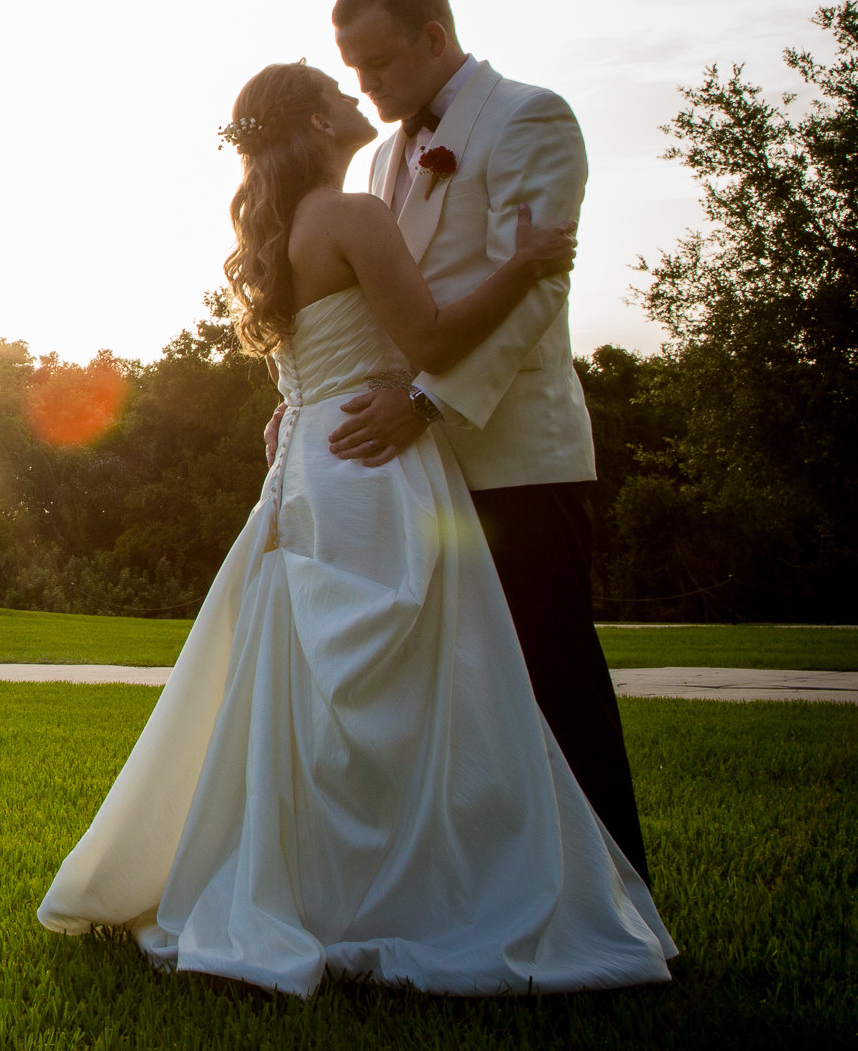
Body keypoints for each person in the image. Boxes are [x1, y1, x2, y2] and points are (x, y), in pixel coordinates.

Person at [36, 58, 674, 996]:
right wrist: (527, 265)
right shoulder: (353, 213)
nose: (354, 95)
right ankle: (407, 895)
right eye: (334, 91)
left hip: (308, 466)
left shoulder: (281, 227)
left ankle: (324, 888)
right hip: (374, 467)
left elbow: (302, 365)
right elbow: (433, 343)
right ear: (312, 123)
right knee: (413, 688)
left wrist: (295, 407)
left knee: (315, 687)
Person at [323, 0, 649, 880]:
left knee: (551, 680)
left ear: (434, 39)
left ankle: (622, 903)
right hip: (412, 470)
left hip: (517, 458)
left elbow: (537, 285)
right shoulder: (386, 156)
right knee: (450, 693)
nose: (367, 88)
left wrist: (426, 406)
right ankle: (485, 894)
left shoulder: (530, 117)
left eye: (380, 65)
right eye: (352, 71)